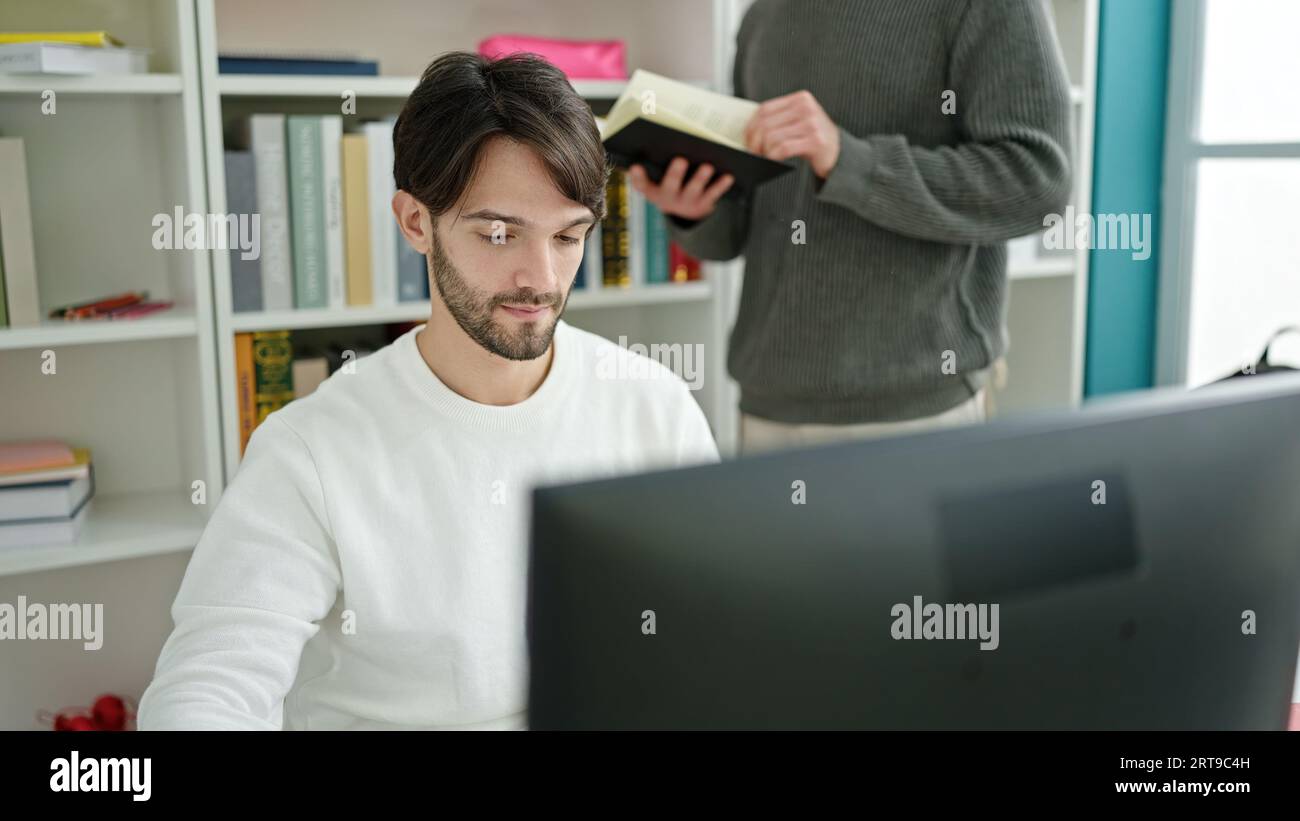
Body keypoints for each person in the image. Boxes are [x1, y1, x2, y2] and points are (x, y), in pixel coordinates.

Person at [139, 52, 718, 730]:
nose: (541, 276)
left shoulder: (655, 407)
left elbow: (715, 636)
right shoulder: (310, 451)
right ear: (416, 222)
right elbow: (205, 693)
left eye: (568, 236)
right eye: (500, 233)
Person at [631, 0, 1074, 454]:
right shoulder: (763, 13)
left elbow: (1039, 182)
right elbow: (742, 230)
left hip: (914, 408)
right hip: (767, 401)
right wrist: (694, 211)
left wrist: (850, 160)